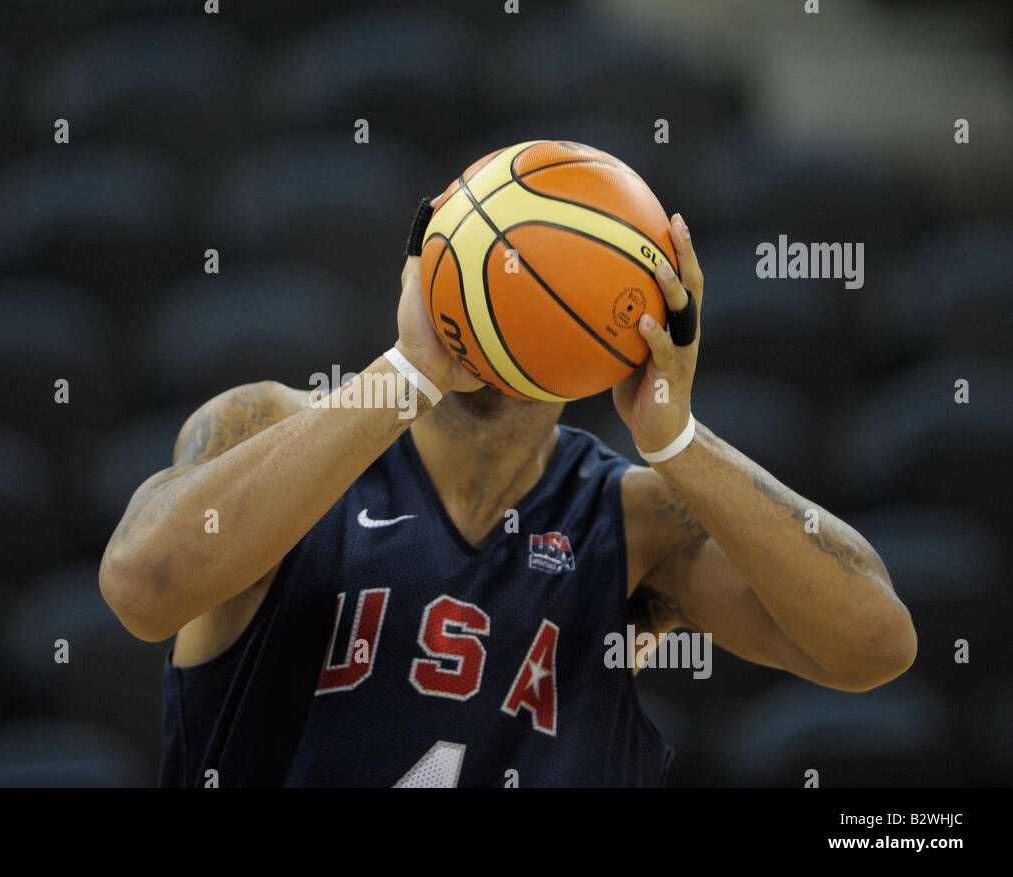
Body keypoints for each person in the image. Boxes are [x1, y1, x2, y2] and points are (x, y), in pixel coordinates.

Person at [99, 210, 916, 787]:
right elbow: (142, 588)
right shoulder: (273, 426)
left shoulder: (634, 522)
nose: (512, 303)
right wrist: (407, 374)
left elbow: (874, 644)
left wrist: (678, 441)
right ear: (425, 271)